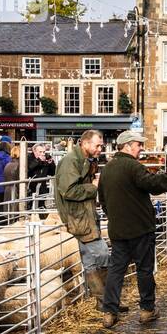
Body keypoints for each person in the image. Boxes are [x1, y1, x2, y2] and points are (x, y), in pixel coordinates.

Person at [97, 131, 167, 328]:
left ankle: (109, 313)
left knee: (116, 271)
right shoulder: (133, 166)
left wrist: (115, 217)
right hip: (140, 229)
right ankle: (147, 310)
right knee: (144, 270)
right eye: (138, 144)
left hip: (118, 230)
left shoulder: (107, 168)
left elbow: (102, 199)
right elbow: (153, 185)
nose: (141, 148)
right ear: (127, 146)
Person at [54, 129, 113, 304]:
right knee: (102, 254)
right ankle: (109, 300)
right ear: (85, 143)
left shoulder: (84, 161)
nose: (100, 149)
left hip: (83, 215)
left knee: (89, 260)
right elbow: (68, 191)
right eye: (97, 145)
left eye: (101, 146)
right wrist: (94, 186)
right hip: (78, 217)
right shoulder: (70, 162)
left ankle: (104, 302)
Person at [26, 143, 56, 212]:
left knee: (41, 207)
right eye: (40, 152)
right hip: (31, 188)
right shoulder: (29, 158)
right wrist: (38, 161)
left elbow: (52, 173)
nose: (42, 154)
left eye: (44, 152)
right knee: (31, 208)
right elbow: (29, 169)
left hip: (42, 188)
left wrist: (51, 163)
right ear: (34, 151)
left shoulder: (45, 160)